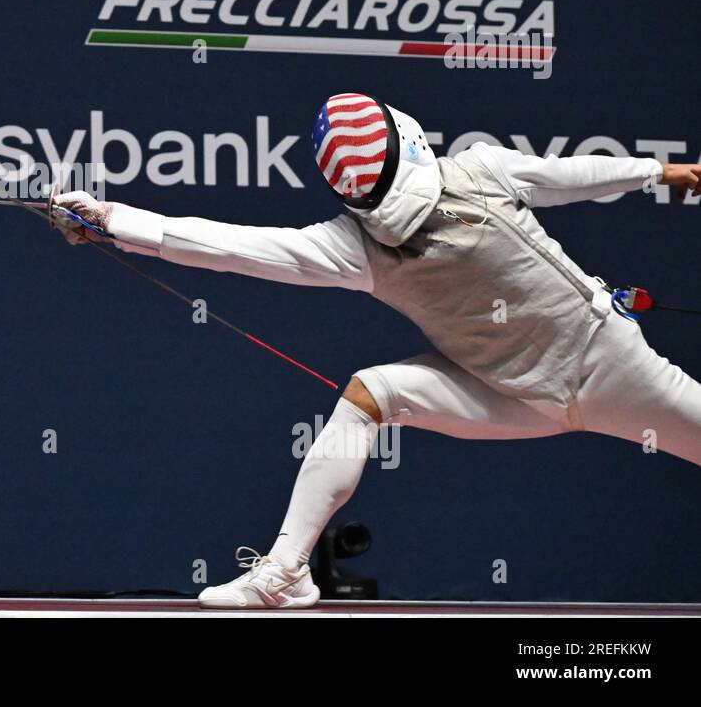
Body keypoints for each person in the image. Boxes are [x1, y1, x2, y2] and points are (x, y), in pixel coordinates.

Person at [51, 92, 701, 609]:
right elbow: (226, 244)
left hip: (607, 369)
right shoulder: (385, 226)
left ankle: (284, 573)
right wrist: (112, 224)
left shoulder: (451, 190)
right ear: (409, 138)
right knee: (369, 395)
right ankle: (284, 574)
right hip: (513, 396)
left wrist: (660, 171)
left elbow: (570, 176)